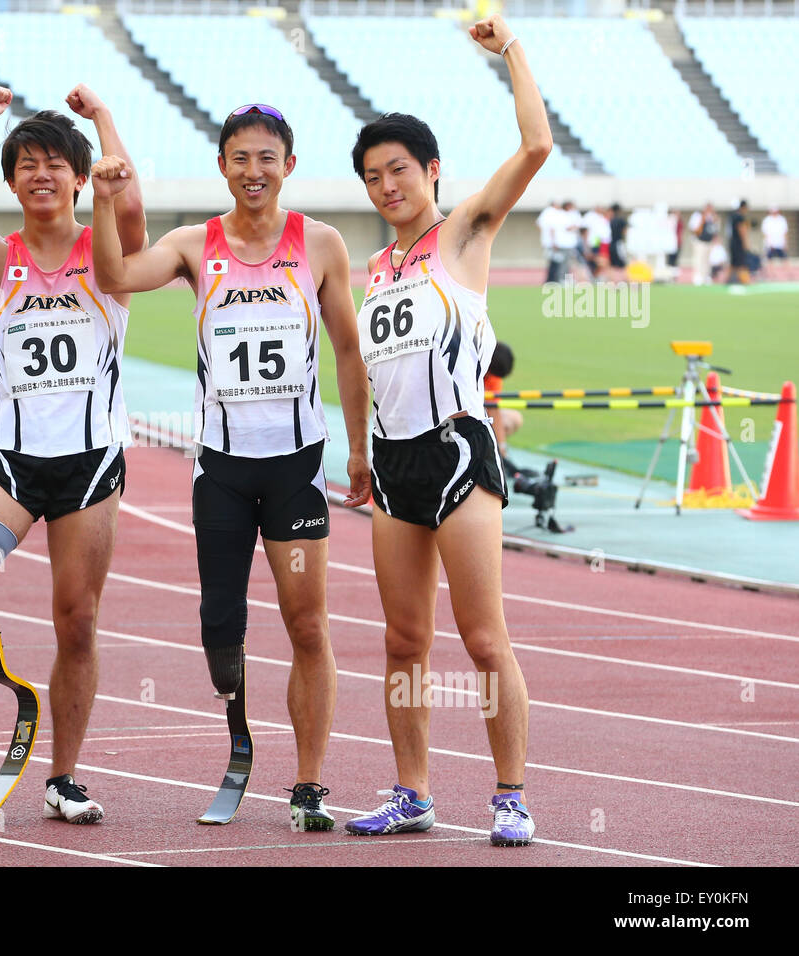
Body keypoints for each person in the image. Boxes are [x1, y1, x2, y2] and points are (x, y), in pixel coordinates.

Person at [89, 105, 370, 831]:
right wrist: (105, 199)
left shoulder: (322, 244)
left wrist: (359, 447)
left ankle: (308, 784)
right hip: (221, 470)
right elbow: (115, 274)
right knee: (221, 627)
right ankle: (239, 734)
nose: (253, 171)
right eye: (240, 158)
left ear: (288, 166)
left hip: (295, 468)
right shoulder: (194, 244)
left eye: (266, 157)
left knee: (308, 625)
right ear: (221, 166)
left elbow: (347, 348)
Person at [341, 13, 544, 847]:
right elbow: (368, 369)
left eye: (399, 169)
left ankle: (510, 796)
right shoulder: (375, 268)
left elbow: (535, 147)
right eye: (372, 176)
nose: (386, 185)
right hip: (393, 463)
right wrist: (359, 452)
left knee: (484, 639)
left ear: (431, 170)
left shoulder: (463, 233)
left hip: (458, 450)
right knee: (402, 642)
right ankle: (412, 793)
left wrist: (512, 52)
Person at [0, 82, 146, 824]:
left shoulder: (108, 252)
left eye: (56, 164)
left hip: (90, 463)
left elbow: (129, 205)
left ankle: (64, 777)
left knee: (76, 623)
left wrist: (105, 119)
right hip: (12, 460)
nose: (42, 175)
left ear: (80, 178)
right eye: (27, 165)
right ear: (13, 180)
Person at [687, 202, 718, 286]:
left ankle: (706, 276)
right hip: (700, 241)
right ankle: (698, 276)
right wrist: (703, 220)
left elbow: (714, 230)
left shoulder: (713, 217)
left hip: (709, 242)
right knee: (699, 259)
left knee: (707, 260)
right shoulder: (698, 215)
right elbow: (695, 230)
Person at [729, 200, 752, 285]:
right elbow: (742, 231)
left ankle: (729, 280)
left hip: (733, 243)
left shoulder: (733, 216)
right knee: (741, 263)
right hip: (738, 244)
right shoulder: (740, 217)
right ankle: (745, 280)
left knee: (734, 264)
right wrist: (745, 244)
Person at [762, 206, 788, 280]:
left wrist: (785, 243)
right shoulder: (767, 220)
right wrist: (767, 243)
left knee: (784, 258)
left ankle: (787, 276)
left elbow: (785, 232)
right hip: (770, 244)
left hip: (780, 243)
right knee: (770, 260)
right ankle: (771, 276)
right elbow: (765, 233)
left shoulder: (782, 220)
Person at [608, 203, 628, 275]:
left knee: (614, 263)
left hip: (612, 243)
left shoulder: (611, 220)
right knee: (622, 262)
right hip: (619, 243)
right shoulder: (621, 220)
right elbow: (624, 232)